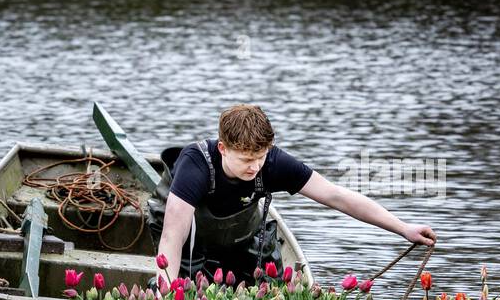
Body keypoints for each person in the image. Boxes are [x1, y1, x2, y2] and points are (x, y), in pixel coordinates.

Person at [154, 104, 436, 286]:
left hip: (239, 233)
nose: (254, 167)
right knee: (189, 285)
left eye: (260, 157)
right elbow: (172, 236)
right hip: (188, 234)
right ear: (224, 149)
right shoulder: (196, 164)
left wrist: (403, 228)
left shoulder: (274, 163)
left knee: (267, 282)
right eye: (245, 159)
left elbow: (337, 197)